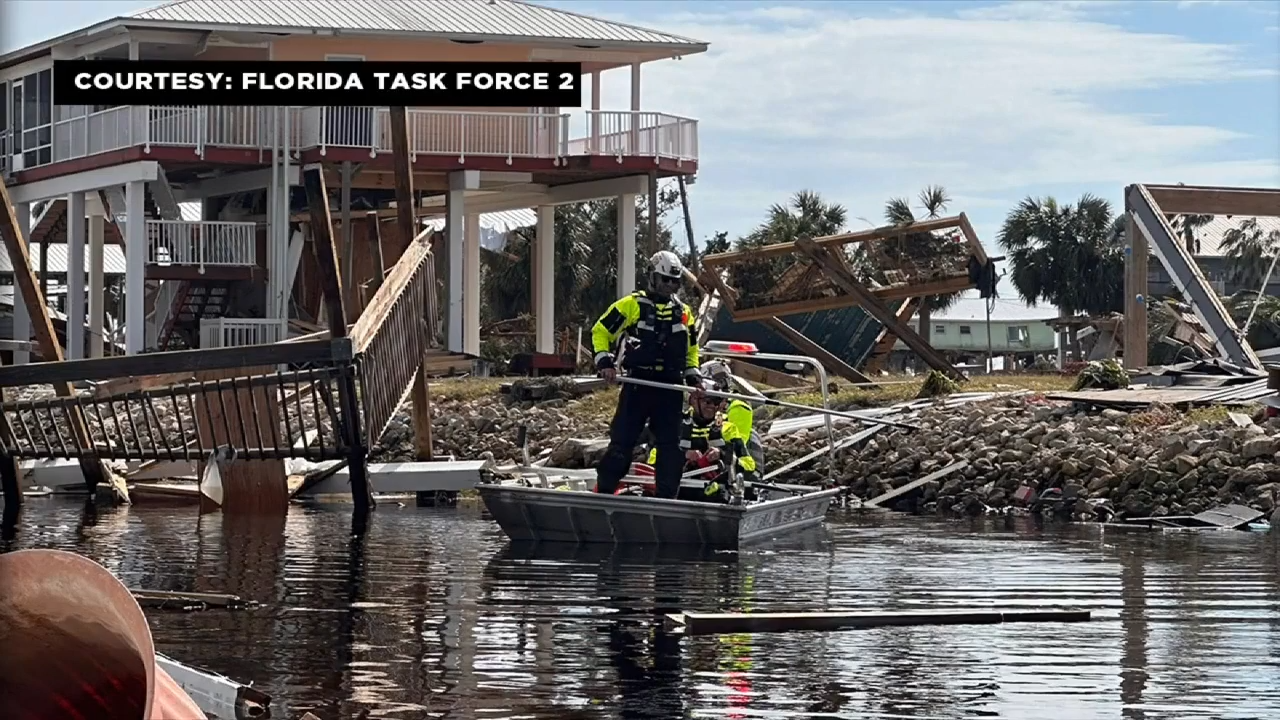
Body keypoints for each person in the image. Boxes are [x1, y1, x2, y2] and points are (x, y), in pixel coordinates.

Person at [592, 250, 701, 499]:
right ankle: (603, 494)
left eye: (674, 281)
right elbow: (600, 331)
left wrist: (693, 374)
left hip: (670, 388)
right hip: (638, 385)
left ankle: (666, 503)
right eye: (665, 280)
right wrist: (604, 361)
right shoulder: (630, 305)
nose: (669, 285)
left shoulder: (684, 312)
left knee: (671, 450)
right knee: (621, 445)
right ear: (652, 277)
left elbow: (692, 349)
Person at [643, 360, 764, 502]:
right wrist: (683, 456)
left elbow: (749, 466)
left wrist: (723, 455)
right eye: (707, 401)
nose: (712, 406)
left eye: (716, 401)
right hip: (678, 492)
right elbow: (653, 461)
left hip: (715, 494)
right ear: (693, 400)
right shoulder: (677, 427)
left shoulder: (728, 429)